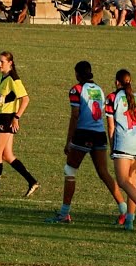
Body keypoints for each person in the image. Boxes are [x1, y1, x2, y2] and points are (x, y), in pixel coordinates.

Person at [48, 61, 126, 224]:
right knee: (104, 173)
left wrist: (69, 140)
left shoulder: (76, 89)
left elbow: (75, 115)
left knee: (69, 170)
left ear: (77, 74)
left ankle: (64, 214)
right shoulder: (98, 89)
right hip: (99, 134)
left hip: (83, 133)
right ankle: (123, 209)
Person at [0, 51, 39, 198]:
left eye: (2, 62)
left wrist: (16, 117)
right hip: (1, 117)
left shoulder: (13, 79)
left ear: (10, 63)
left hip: (7, 118)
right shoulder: (2, 77)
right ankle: (32, 181)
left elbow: (26, 99)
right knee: (7, 155)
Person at [106, 69, 136, 230]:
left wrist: (112, 147)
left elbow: (111, 127)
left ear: (116, 82)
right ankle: (130, 222)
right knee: (132, 182)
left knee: (122, 181)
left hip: (123, 144)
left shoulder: (112, 98)